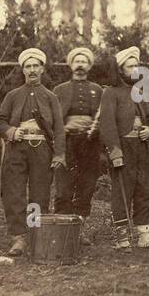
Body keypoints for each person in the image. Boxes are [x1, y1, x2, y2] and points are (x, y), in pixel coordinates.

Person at [0, 48, 66, 257]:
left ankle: (36, 235)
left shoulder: (51, 97)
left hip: (42, 150)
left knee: (39, 193)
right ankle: (18, 238)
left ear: (42, 69)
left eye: (36, 66)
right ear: (23, 69)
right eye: (28, 66)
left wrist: (59, 154)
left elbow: (59, 129)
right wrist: (11, 131)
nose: (32, 70)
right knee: (14, 193)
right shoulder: (13, 95)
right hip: (16, 149)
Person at [98, 46, 149, 250]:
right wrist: (115, 152)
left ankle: (144, 235)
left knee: (145, 189)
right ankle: (122, 237)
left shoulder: (140, 92)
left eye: (137, 66)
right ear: (120, 69)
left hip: (141, 147)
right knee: (122, 191)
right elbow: (107, 124)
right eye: (130, 66)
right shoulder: (110, 92)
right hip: (123, 147)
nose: (135, 70)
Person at [52, 45, 104, 222]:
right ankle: (61, 226)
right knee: (63, 185)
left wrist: (96, 129)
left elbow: (103, 116)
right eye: (77, 61)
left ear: (89, 66)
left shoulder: (98, 90)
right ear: (71, 65)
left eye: (84, 61)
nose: (80, 64)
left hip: (90, 141)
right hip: (67, 141)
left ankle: (79, 228)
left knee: (87, 184)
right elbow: (52, 118)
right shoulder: (59, 90)